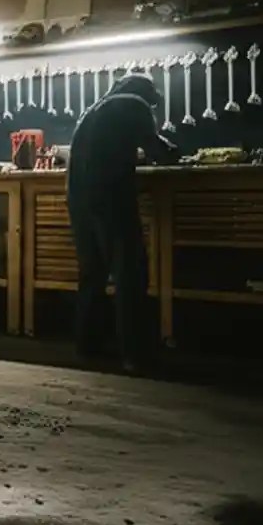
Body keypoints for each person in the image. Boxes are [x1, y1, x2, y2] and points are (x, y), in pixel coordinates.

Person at [66, 72, 178, 373]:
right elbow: (159, 152)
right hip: (111, 198)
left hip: (78, 199)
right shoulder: (134, 105)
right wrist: (174, 153)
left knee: (92, 273)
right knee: (130, 272)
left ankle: (86, 347)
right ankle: (135, 355)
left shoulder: (93, 110)